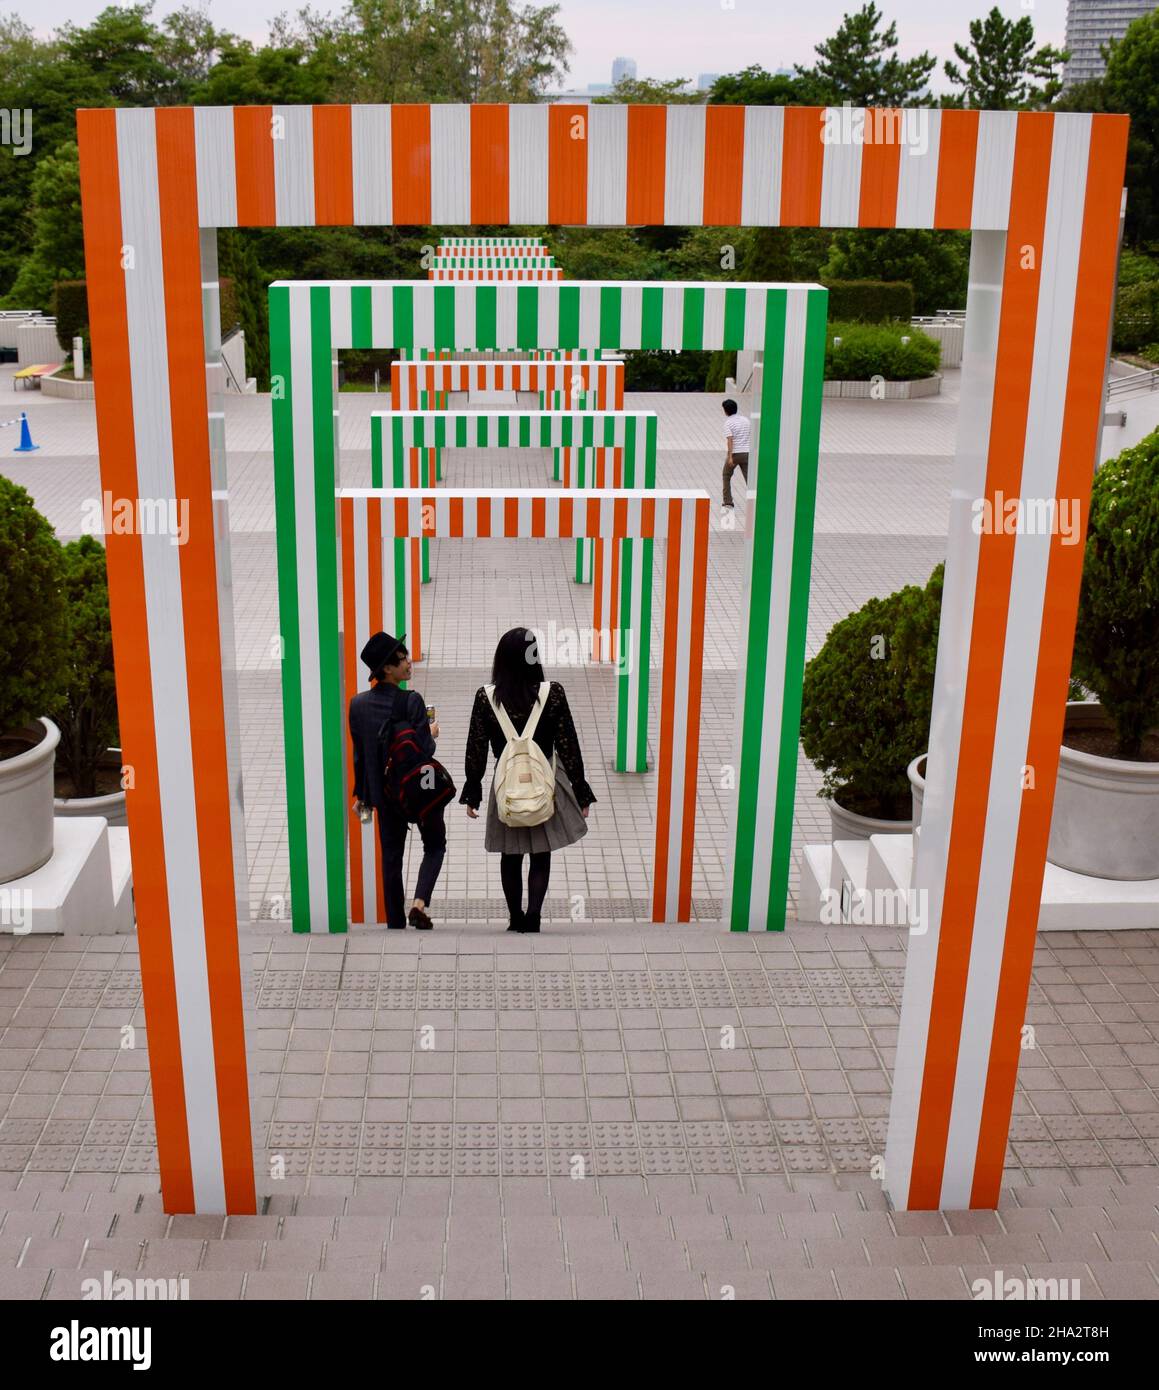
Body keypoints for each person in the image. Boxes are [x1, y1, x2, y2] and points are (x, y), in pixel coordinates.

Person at [460, 627, 596, 933]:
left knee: (510, 854)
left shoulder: (487, 698)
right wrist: (581, 790)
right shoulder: (553, 693)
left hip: (505, 784)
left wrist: (473, 791)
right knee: (540, 852)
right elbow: (568, 745)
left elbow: (476, 748)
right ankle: (533, 916)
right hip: (544, 781)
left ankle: (515, 918)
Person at [348, 630, 445, 930]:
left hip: (385, 796)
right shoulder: (411, 700)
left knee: (391, 857)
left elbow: (360, 757)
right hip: (419, 791)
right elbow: (424, 749)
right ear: (387, 669)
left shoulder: (357, 705)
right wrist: (432, 732)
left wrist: (363, 797)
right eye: (402, 659)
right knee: (435, 846)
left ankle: (394, 923)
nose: (408, 663)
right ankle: (419, 903)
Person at [721, 397, 752, 516]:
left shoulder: (728, 423)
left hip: (735, 453)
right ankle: (755, 499)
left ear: (726, 410)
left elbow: (730, 440)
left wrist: (730, 457)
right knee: (749, 478)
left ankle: (728, 501)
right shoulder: (745, 420)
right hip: (747, 453)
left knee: (726, 475)